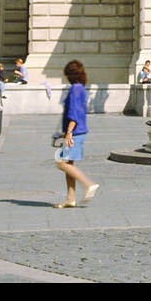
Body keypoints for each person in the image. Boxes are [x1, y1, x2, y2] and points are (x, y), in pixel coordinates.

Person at [55, 59, 98, 208]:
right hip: (78, 131)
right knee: (68, 164)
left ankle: (88, 184)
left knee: (61, 163)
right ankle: (70, 199)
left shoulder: (75, 89)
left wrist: (68, 132)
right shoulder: (80, 88)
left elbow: (74, 113)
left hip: (75, 132)